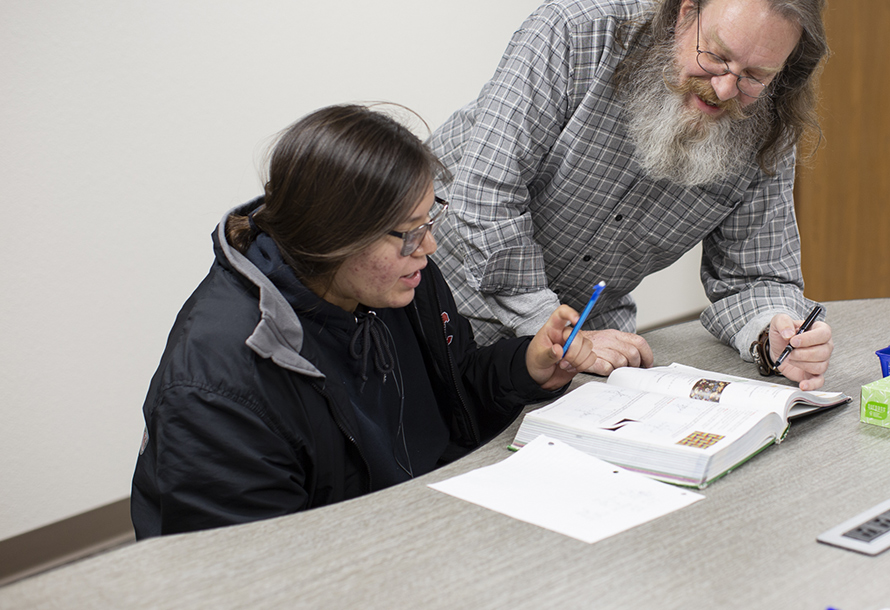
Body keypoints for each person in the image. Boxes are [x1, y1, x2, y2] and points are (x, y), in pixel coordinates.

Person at [131, 104, 595, 538]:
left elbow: (454, 392)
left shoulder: (398, 280)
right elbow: (250, 566)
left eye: (430, 219)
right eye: (411, 232)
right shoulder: (217, 383)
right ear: (337, 237)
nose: (429, 248)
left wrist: (527, 365)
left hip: (425, 518)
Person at [430, 0, 833, 389]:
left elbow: (757, 274)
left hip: (574, 345)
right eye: (715, 56)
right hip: (432, 297)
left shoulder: (768, 124)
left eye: (755, 75)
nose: (724, 90)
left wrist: (775, 335)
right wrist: (558, 330)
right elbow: (487, 193)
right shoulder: (582, 28)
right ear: (686, 13)